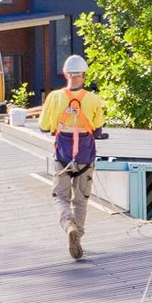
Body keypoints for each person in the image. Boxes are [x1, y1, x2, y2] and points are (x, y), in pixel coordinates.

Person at [38, 55, 108, 260]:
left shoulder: (54, 97)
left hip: (63, 155)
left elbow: (43, 126)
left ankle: (68, 225)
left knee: (60, 196)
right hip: (85, 155)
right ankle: (79, 234)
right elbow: (97, 129)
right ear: (83, 75)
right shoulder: (93, 99)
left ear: (66, 74)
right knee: (81, 200)